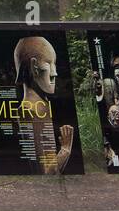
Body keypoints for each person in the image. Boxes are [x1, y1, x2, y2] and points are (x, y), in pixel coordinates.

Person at [13, 36, 75, 174]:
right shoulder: (29, 111)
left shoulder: (42, 106)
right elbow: (46, 175)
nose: (55, 73)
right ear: (34, 67)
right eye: (48, 63)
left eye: (55, 63)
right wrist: (65, 150)